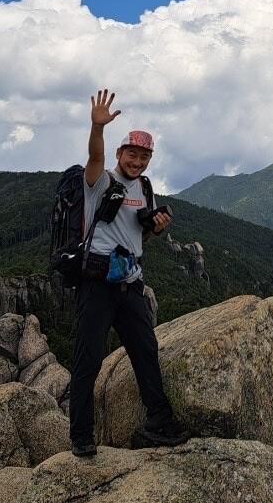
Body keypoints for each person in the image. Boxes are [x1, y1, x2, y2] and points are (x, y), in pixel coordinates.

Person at [68, 88, 189, 457]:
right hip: (96, 285)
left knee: (145, 352)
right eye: (131, 154)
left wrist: (156, 227)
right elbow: (93, 156)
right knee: (87, 360)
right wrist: (97, 127)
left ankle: (158, 421)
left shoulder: (146, 188)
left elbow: (141, 239)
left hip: (130, 283)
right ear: (120, 154)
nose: (137, 161)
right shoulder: (100, 182)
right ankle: (81, 436)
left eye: (144, 156)